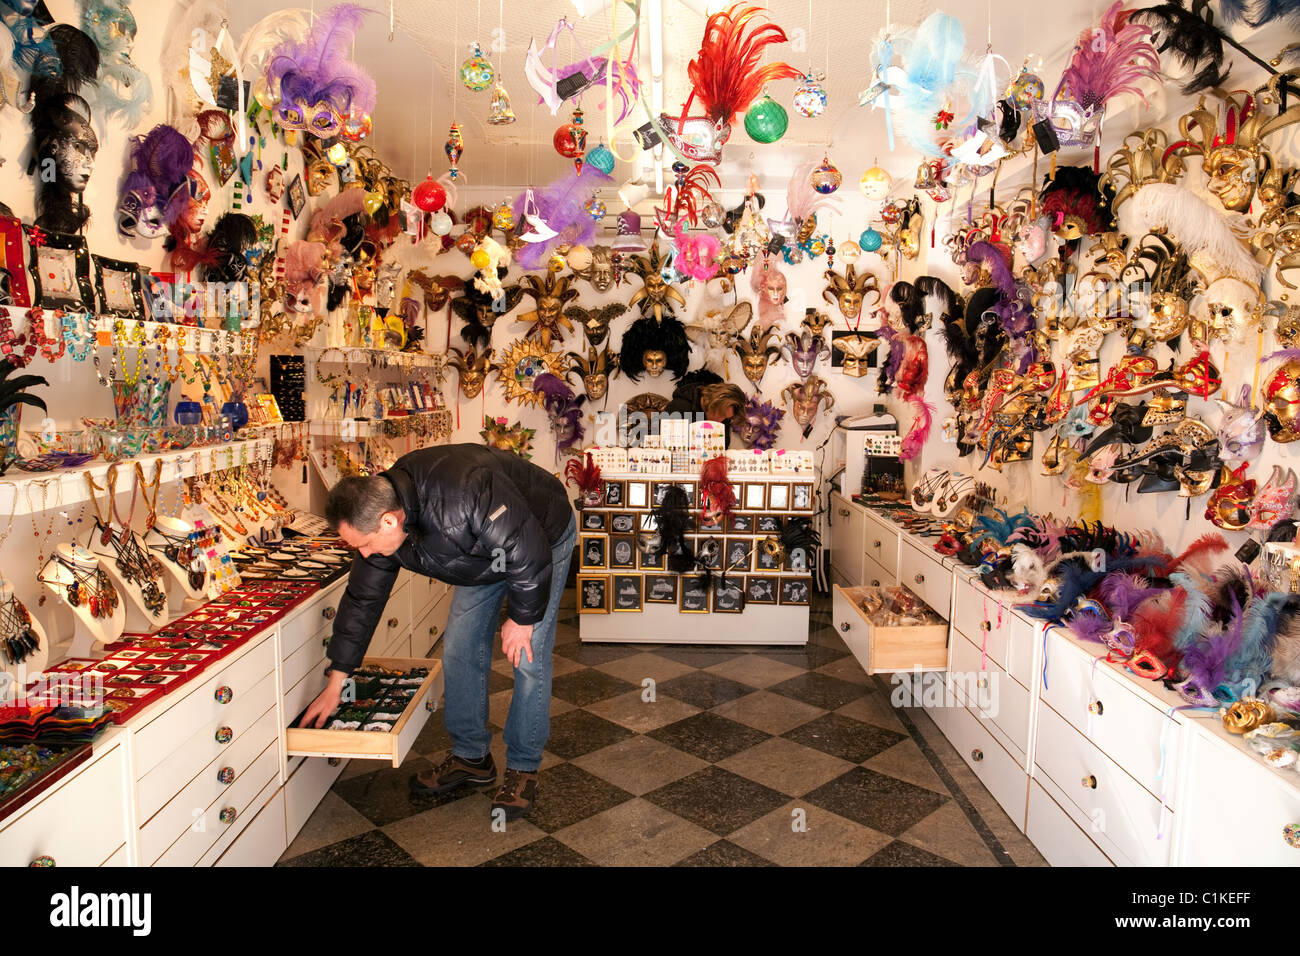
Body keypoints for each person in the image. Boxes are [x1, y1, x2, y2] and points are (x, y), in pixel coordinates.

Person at [301, 444, 576, 821]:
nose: (362, 555)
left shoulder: (464, 492)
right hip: (479, 554)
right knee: (459, 650)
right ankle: (471, 757)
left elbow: (526, 551)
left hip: (540, 539)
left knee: (527, 657)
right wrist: (337, 682)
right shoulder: (380, 524)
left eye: (362, 546)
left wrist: (522, 620)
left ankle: (523, 767)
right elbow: (362, 601)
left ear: (387, 522)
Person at [662, 369, 747, 446]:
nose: (720, 420)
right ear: (713, 401)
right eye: (720, 414)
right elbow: (663, 444)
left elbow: (723, 446)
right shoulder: (679, 407)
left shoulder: (724, 413)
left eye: (726, 418)